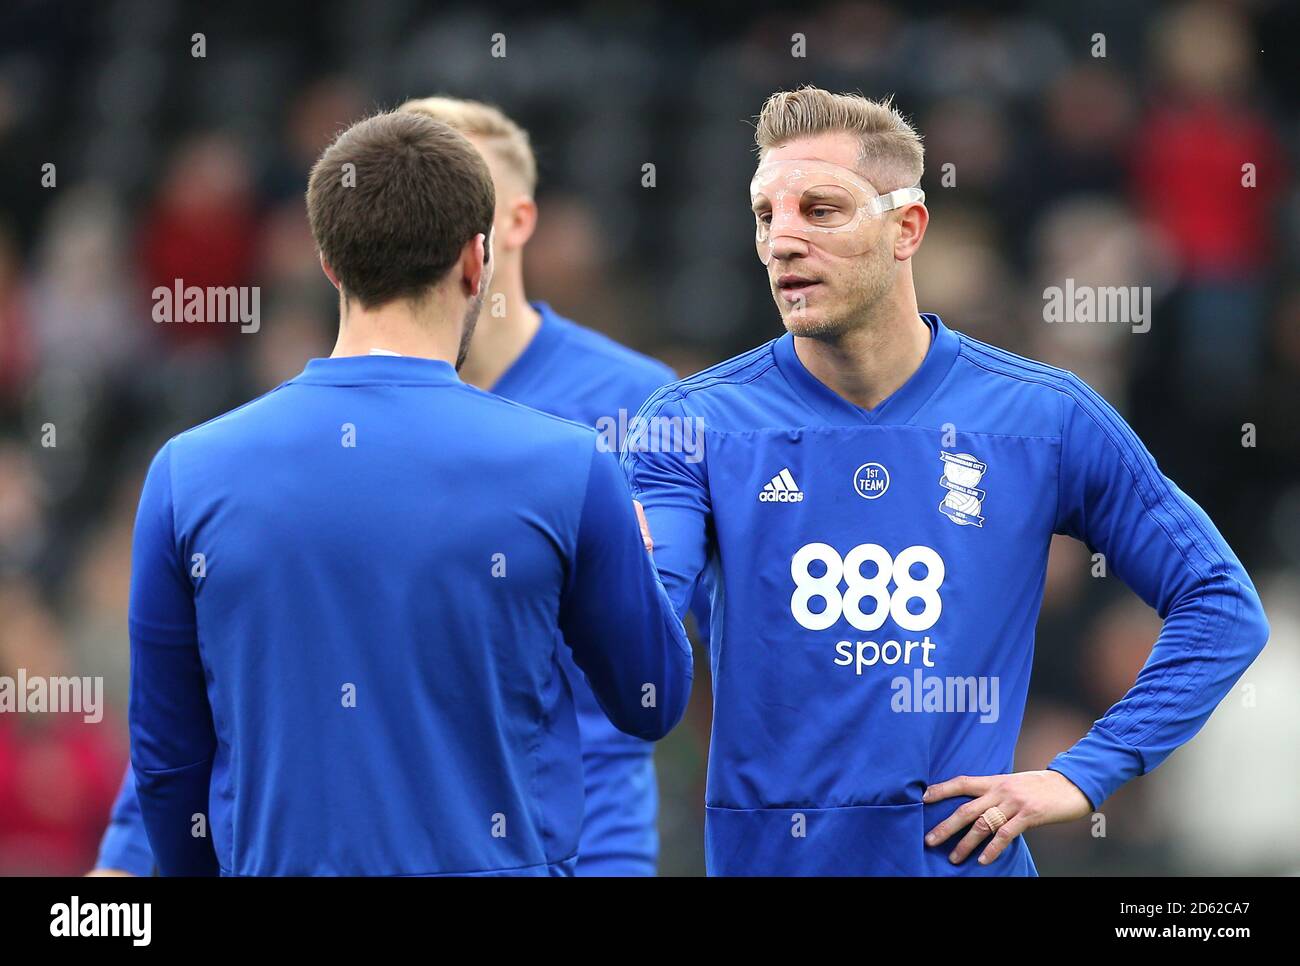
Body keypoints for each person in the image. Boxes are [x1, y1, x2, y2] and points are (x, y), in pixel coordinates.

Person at [622, 86, 1269, 875]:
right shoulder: (691, 425)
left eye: (820, 210)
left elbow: (1221, 605)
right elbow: (645, 635)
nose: (782, 240)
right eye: (766, 214)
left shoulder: (1042, 418)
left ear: (907, 227)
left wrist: (1085, 772)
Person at [93, 97, 683, 878]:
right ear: (478, 261)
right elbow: (651, 702)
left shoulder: (186, 470)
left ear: (328, 262)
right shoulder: (572, 465)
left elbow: (168, 763)